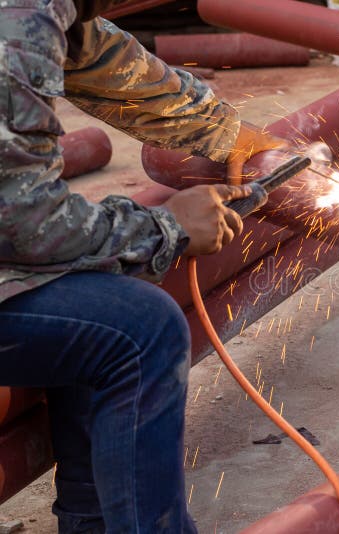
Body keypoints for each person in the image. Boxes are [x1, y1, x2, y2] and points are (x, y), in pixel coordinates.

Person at [0, 1, 283, 531]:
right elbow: (22, 221)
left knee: (97, 280)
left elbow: (101, 60)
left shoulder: (48, 10)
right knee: (138, 329)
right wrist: (168, 228)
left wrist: (227, 133)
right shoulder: (19, 19)